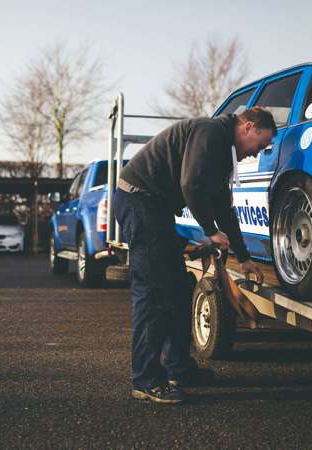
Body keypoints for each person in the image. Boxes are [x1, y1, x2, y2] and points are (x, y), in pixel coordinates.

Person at [112, 107, 276, 404]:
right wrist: (211, 231)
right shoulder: (211, 132)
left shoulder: (223, 152)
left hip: (154, 207)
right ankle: (146, 380)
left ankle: (179, 368)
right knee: (153, 294)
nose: (256, 153)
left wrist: (244, 256)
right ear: (248, 127)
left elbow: (224, 206)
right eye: (260, 144)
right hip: (139, 201)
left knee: (179, 288)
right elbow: (190, 184)